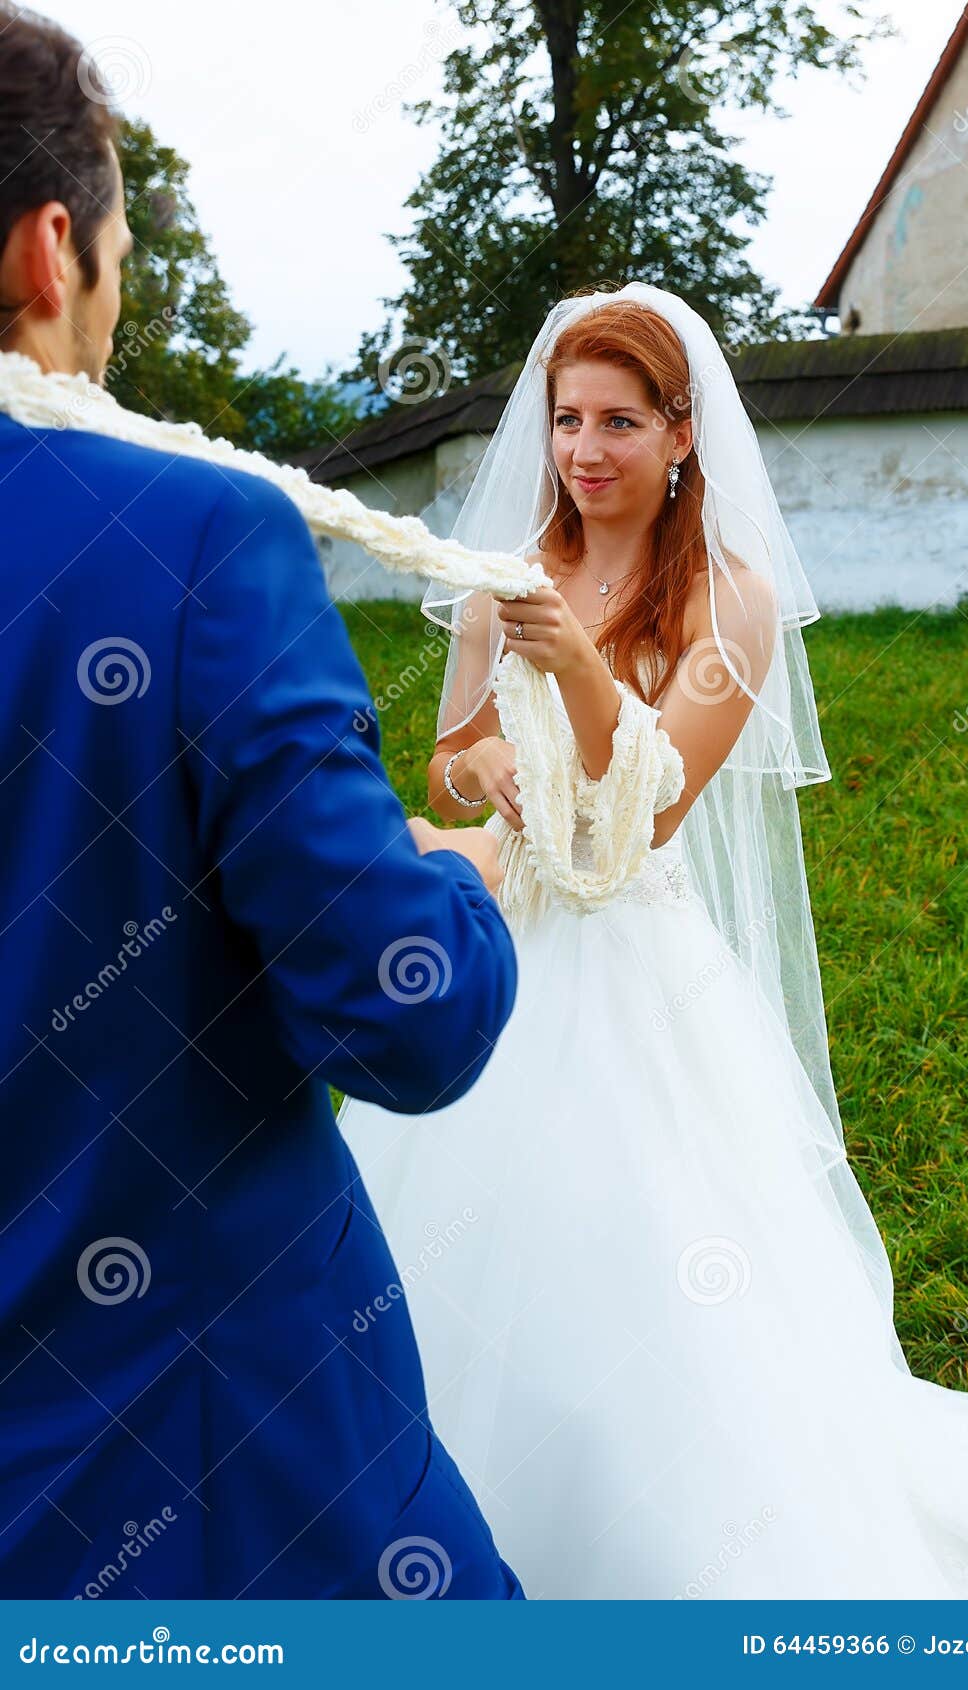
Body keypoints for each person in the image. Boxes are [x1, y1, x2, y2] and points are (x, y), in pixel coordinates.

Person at [338, 283, 968, 1599]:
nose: (582, 449)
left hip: (630, 954)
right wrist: (491, 768)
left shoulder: (726, 602)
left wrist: (574, 664)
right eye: (567, 418)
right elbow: (451, 755)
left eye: (619, 421)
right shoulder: (503, 579)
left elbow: (653, 804)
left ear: (681, 434)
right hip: (507, 941)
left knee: (659, 1259)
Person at [0, 5, 522, 1600]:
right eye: (122, 245)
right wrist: (457, 883)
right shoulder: (198, 542)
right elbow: (400, 1014)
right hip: (212, 1459)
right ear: (49, 247)